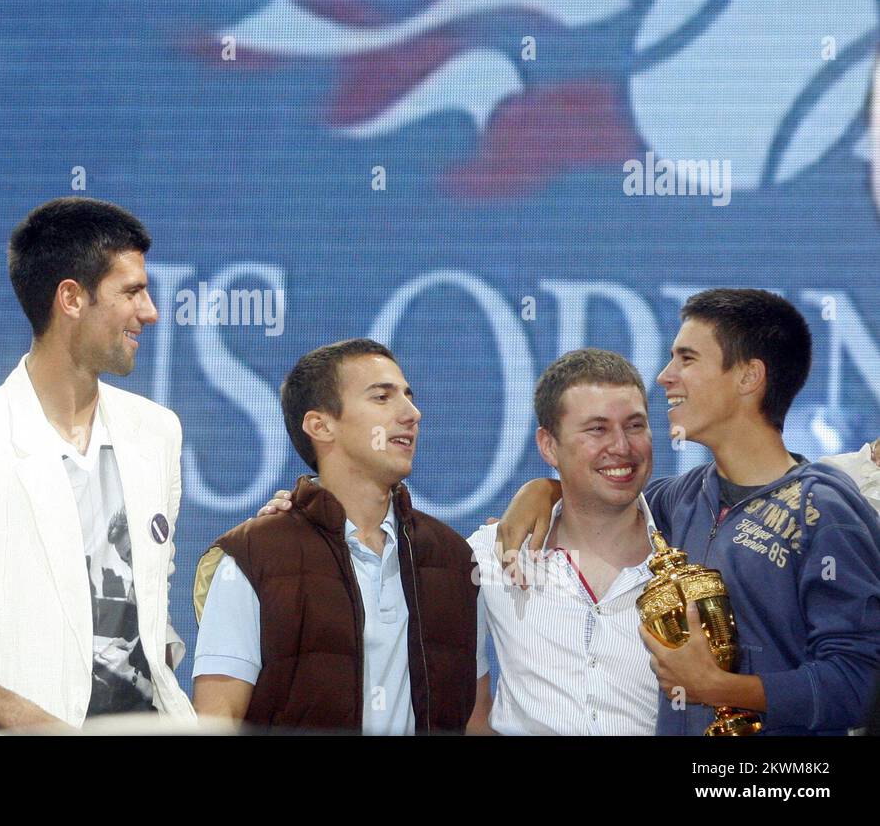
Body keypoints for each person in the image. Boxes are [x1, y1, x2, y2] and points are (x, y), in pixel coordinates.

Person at [0, 196, 195, 733]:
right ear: (71, 298)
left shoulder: (157, 432)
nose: (150, 311)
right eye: (132, 291)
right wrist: (42, 727)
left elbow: (147, 596)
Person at [498, 290, 880, 735]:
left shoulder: (825, 509)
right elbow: (597, 498)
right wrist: (542, 490)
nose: (664, 377)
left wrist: (719, 688)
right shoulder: (679, 499)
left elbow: (859, 685)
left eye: (687, 359)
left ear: (748, 377)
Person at [192, 339, 477, 733]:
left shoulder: (454, 560)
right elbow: (216, 719)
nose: (412, 414)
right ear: (321, 426)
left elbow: (475, 717)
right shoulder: (252, 556)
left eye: (409, 397)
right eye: (382, 397)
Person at [467, 349, 660, 735]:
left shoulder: (689, 553)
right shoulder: (489, 555)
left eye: (635, 425)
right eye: (597, 429)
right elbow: (470, 713)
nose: (622, 446)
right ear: (549, 445)